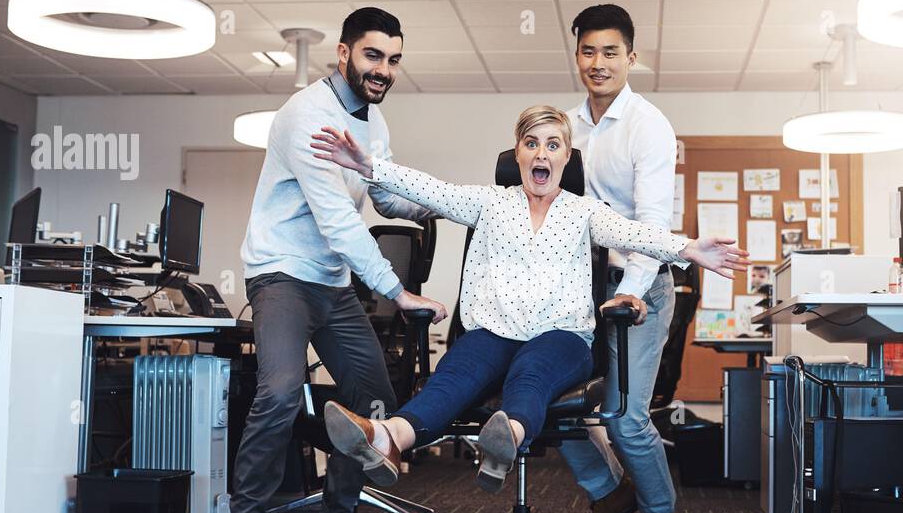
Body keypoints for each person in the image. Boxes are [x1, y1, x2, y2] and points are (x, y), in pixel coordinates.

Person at [308, 106, 749, 493]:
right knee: (453, 375)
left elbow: (636, 234)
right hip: (492, 333)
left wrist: (687, 248)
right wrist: (370, 166)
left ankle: (506, 438)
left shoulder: (585, 211)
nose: (541, 153)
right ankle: (387, 438)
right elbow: (430, 189)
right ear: (516, 153)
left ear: (566, 157)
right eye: (531, 143)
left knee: (531, 374)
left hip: (562, 339)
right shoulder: (489, 202)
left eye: (553, 144)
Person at [212, 7, 446, 513]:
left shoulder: (373, 120)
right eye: (372, 56)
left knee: (373, 401)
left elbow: (382, 191)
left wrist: (447, 203)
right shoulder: (306, 118)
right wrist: (397, 290)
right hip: (284, 275)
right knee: (281, 392)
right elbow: (339, 221)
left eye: (394, 60)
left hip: (333, 285)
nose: (383, 70)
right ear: (342, 53)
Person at [558, 4, 685, 513]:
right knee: (550, 404)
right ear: (577, 55)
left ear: (631, 58)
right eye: (589, 51)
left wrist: (631, 289)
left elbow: (652, 225)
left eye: (611, 52)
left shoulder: (647, 125)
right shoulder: (563, 127)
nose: (599, 62)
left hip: (641, 286)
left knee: (623, 418)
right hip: (578, 289)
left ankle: (658, 511)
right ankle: (609, 494)